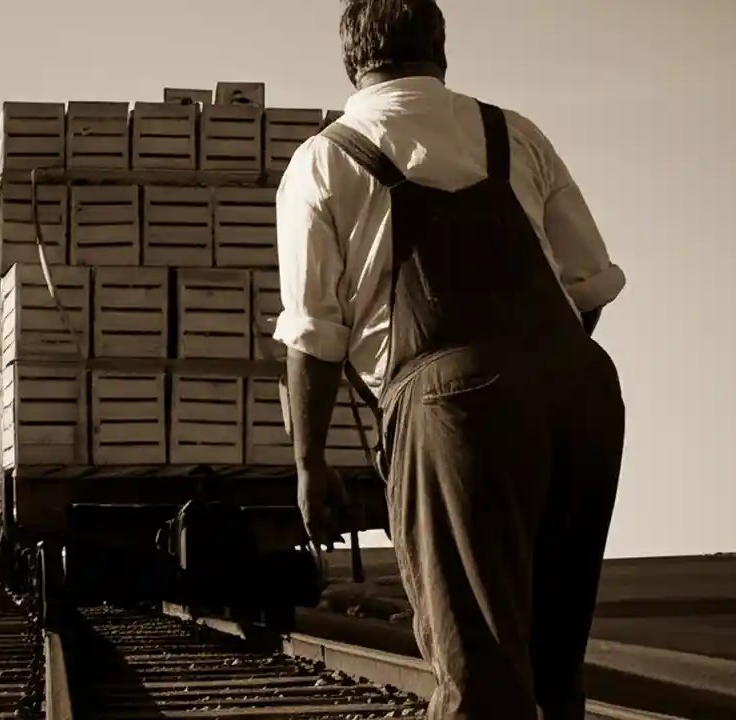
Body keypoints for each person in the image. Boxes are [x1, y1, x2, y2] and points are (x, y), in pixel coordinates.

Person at [274, 1, 627, 717]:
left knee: (478, 663)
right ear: (440, 49)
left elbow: (316, 333)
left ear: (352, 60)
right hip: (581, 390)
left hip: (452, 403)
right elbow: (589, 282)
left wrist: (310, 466)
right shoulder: (515, 133)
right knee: (552, 656)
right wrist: (534, 367)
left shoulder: (326, 159)